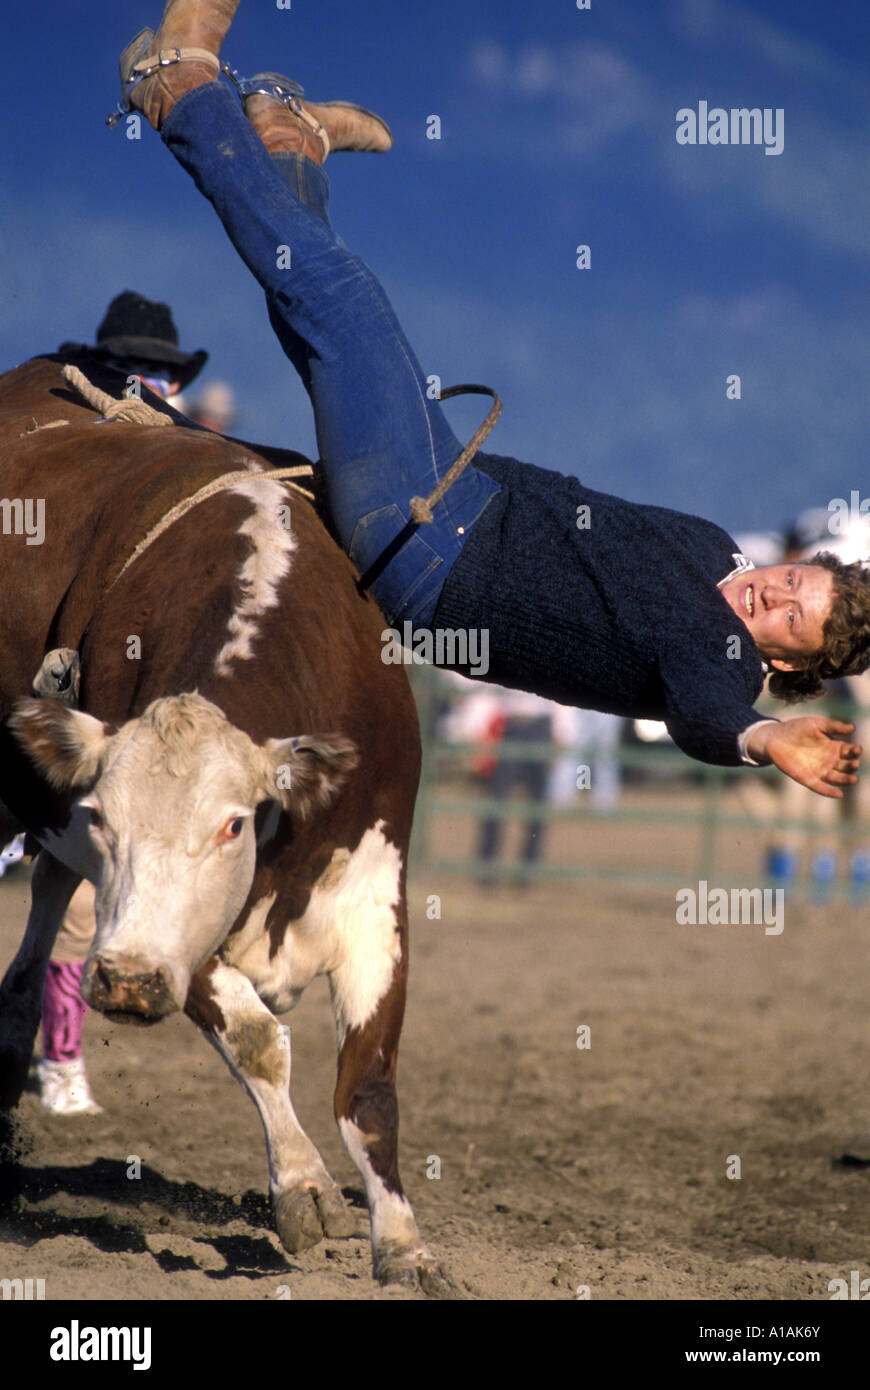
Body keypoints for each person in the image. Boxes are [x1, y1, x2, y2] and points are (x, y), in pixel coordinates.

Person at [107, 4, 868, 809]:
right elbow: (578, 508)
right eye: (794, 584)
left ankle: (181, 89)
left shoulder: (720, 657)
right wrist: (463, 460)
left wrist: (762, 737)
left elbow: (708, 719)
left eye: (791, 622)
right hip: (461, 488)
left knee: (341, 301)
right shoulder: (716, 549)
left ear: (784, 663)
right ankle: (287, 143)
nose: (775, 598)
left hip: (433, 558)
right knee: (320, 309)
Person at [37, 289, 210, 1115]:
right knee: (72, 906)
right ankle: (61, 1060)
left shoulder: (198, 458)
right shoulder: (74, 461)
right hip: (79, 710)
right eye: (135, 370)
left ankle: (55, 1053)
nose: (148, 384)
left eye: (161, 373)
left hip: (158, 718)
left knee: (76, 901)